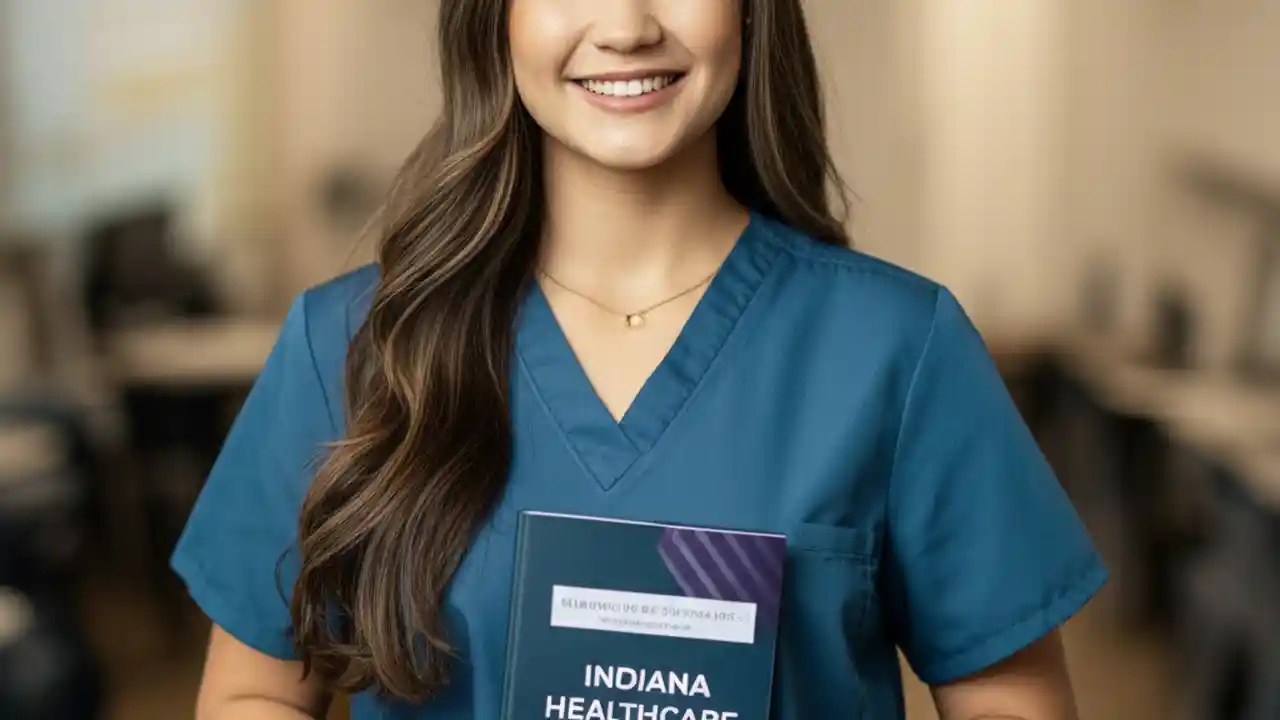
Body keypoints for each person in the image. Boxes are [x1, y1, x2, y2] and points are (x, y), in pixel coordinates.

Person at [173, 1, 1107, 718]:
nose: (625, 27)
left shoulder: (898, 351)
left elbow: (1010, 699)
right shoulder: (349, 348)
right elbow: (255, 691)